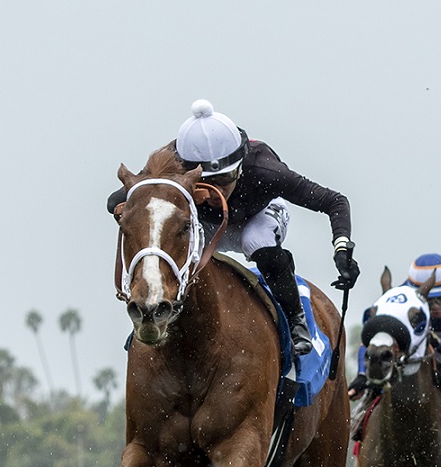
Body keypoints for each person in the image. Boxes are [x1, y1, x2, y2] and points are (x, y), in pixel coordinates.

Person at [109, 99, 359, 356]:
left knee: (257, 241)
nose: (218, 191)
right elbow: (116, 202)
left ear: (240, 167)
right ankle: (152, 310)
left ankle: (296, 318)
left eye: (225, 178)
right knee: (171, 235)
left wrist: (341, 247)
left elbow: (335, 201)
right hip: (206, 225)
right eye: (206, 183)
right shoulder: (173, 163)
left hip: (258, 216)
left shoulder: (265, 170)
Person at [350, 253, 441, 447]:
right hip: (416, 346)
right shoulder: (401, 296)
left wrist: (437, 343)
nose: (435, 308)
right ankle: (365, 409)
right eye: (430, 301)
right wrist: (361, 373)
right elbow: (372, 339)